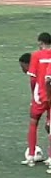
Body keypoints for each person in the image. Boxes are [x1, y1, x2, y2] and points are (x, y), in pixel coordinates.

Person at [25, 33, 51, 168]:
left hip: (40, 95)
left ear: (40, 43)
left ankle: (31, 156)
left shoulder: (36, 55)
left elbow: (33, 78)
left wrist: (33, 94)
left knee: (33, 122)